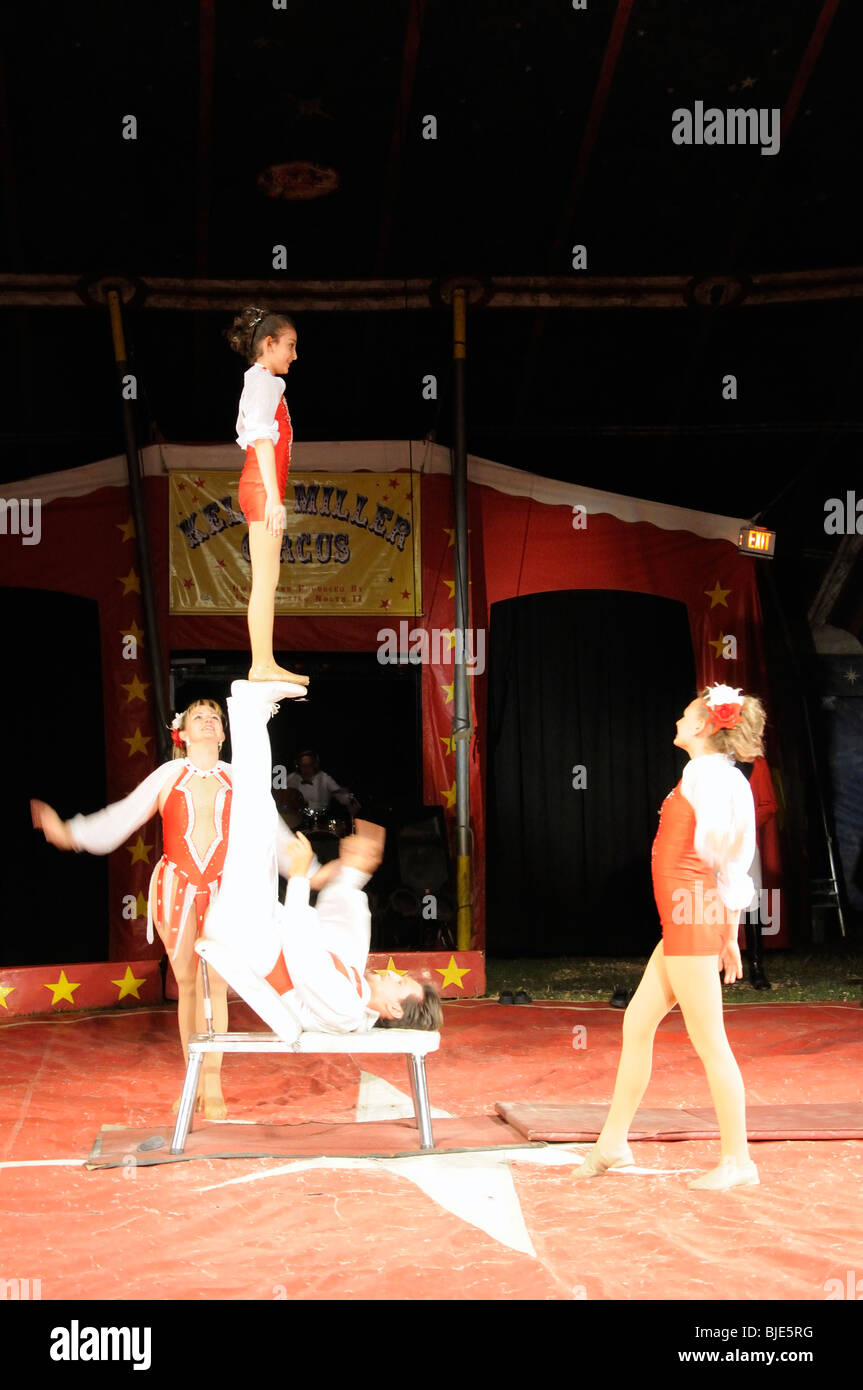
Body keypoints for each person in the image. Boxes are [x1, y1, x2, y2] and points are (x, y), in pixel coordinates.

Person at [30, 698, 319, 1118]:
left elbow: (272, 832)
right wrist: (71, 833)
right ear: (180, 734)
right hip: (177, 890)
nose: (207, 721)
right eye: (197, 717)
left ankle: (214, 1083)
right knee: (188, 985)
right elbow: (122, 817)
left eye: (214, 718)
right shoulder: (168, 774)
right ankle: (193, 1080)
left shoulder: (240, 779)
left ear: (223, 734)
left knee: (215, 985)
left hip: (226, 893)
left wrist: (308, 869)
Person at [574, 684, 765, 1193]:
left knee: (711, 1043)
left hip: (690, 915)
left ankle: (738, 1159)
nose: (676, 722)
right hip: (686, 916)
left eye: (685, 715)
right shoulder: (709, 775)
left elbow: (727, 862)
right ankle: (613, 1144)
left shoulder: (709, 775)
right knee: (637, 1024)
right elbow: (724, 865)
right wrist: (727, 932)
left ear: (704, 725)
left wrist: (725, 930)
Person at [203, 680, 442, 1034]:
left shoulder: (346, 1006)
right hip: (258, 923)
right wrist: (354, 870)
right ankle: (248, 708)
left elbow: (302, 954)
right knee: (259, 809)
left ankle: (250, 707)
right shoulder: (354, 987)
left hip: (246, 930)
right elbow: (340, 920)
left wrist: (300, 878)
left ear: (392, 1007)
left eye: (399, 982)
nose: (392, 972)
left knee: (254, 809)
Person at [226, 306, 309, 688]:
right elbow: (261, 439)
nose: (294, 354)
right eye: (289, 346)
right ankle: (261, 663)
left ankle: (265, 661)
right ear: (269, 344)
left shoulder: (261, 381)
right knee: (265, 579)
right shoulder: (264, 381)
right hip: (261, 486)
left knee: (267, 579)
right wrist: (275, 499)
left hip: (260, 484)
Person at [286, 750, 360, 817]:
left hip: (321, 819)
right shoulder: (291, 778)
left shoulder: (325, 778)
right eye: (303, 766)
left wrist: (350, 798)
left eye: (309, 765)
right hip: (297, 818)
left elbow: (342, 797)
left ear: (315, 765)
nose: (306, 769)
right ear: (298, 766)